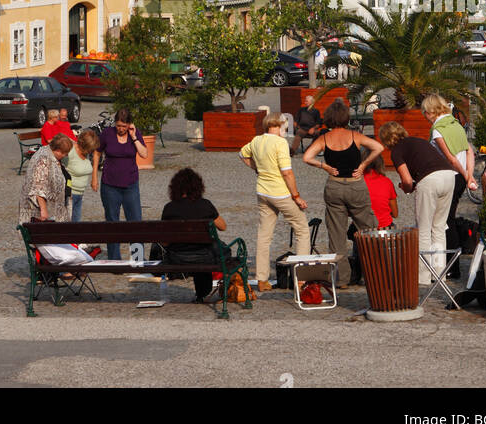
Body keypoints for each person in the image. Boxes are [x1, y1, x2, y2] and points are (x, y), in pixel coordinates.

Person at [378, 122, 475, 286]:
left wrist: (407, 188)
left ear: (386, 140)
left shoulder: (397, 151)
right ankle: (439, 273)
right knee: (439, 227)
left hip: (429, 181)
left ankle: (422, 277)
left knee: (423, 229)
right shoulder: (419, 141)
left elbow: (407, 180)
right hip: (449, 177)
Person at [302, 98, 385, 287]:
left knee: (336, 234)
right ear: (346, 118)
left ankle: (342, 279)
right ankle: (374, 274)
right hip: (356, 185)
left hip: (334, 186)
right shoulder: (355, 136)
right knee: (368, 230)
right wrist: (363, 164)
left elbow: (307, 157)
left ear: (329, 118)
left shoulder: (324, 139)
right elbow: (378, 147)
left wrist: (324, 166)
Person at [240, 111, 310, 292]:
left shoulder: (256, 140)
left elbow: (242, 154)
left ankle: (262, 279)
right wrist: (296, 196)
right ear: (279, 126)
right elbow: (287, 172)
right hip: (280, 193)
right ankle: (301, 278)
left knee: (264, 235)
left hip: (263, 191)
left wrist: (256, 168)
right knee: (302, 228)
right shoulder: (280, 143)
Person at [423, 93, 476, 281]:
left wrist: (464, 174)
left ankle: (449, 266)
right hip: (459, 179)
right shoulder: (456, 125)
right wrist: (469, 176)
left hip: (449, 177)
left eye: (425, 112)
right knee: (448, 220)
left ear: (431, 111)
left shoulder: (438, 131)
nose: (424, 116)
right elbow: (469, 151)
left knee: (444, 222)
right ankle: (450, 265)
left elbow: (451, 159)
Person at [161, 167, 227, 303]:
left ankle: (201, 293)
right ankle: (203, 293)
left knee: (196, 249)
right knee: (212, 249)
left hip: (177, 257)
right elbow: (223, 227)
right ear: (198, 186)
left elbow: (165, 242)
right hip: (204, 256)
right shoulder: (205, 205)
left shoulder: (169, 208)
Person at [91, 108, 148, 259]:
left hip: (130, 184)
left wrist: (134, 136)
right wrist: (94, 176)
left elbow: (144, 154)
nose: (121, 129)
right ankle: (114, 259)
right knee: (112, 221)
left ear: (129, 124)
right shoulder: (107, 134)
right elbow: (97, 152)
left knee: (135, 221)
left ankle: (138, 259)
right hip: (110, 185)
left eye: (123, 126)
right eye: (118, 126)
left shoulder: (134, 134)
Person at [18, 134, 74, 224]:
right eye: (65, 153)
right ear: (58, 151)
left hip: (55, 209)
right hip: (41, 213)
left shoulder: (48, 151)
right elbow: (38, 187)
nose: (65, 156)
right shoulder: (43, 159)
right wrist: (43, 211)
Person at [65, 129, 99, 222]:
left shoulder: (85, 153)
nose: (91, 152)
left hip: (79, 195)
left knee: (76, 224)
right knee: (67, 225)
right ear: (84, 146)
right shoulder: (70, 151)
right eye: (90, 149)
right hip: (69, 195)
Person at [364, 159, 398, 227]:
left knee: (350, 232)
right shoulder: (387, 182)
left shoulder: (357, 182)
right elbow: (395, 214)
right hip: (385, 228)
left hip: (363, 228)